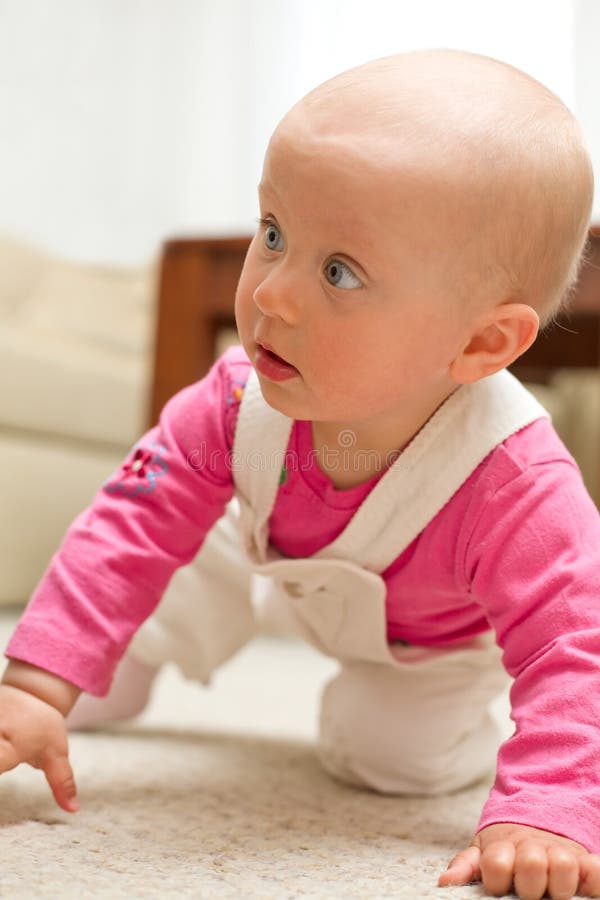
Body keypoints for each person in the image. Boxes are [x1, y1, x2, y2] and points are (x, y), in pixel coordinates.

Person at [1, 48, 599, 900]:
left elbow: (575, 644)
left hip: (420, 649)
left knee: (384, 758)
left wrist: (550, 804)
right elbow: (130, 524)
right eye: (274, 232)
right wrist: (34, 682)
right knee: (107, 624)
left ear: (480, 344)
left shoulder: (517, 482)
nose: (273, 295)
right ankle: (94, 677)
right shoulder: (234, 401)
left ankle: (435, 732)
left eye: (338, 272)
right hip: (261, 558)